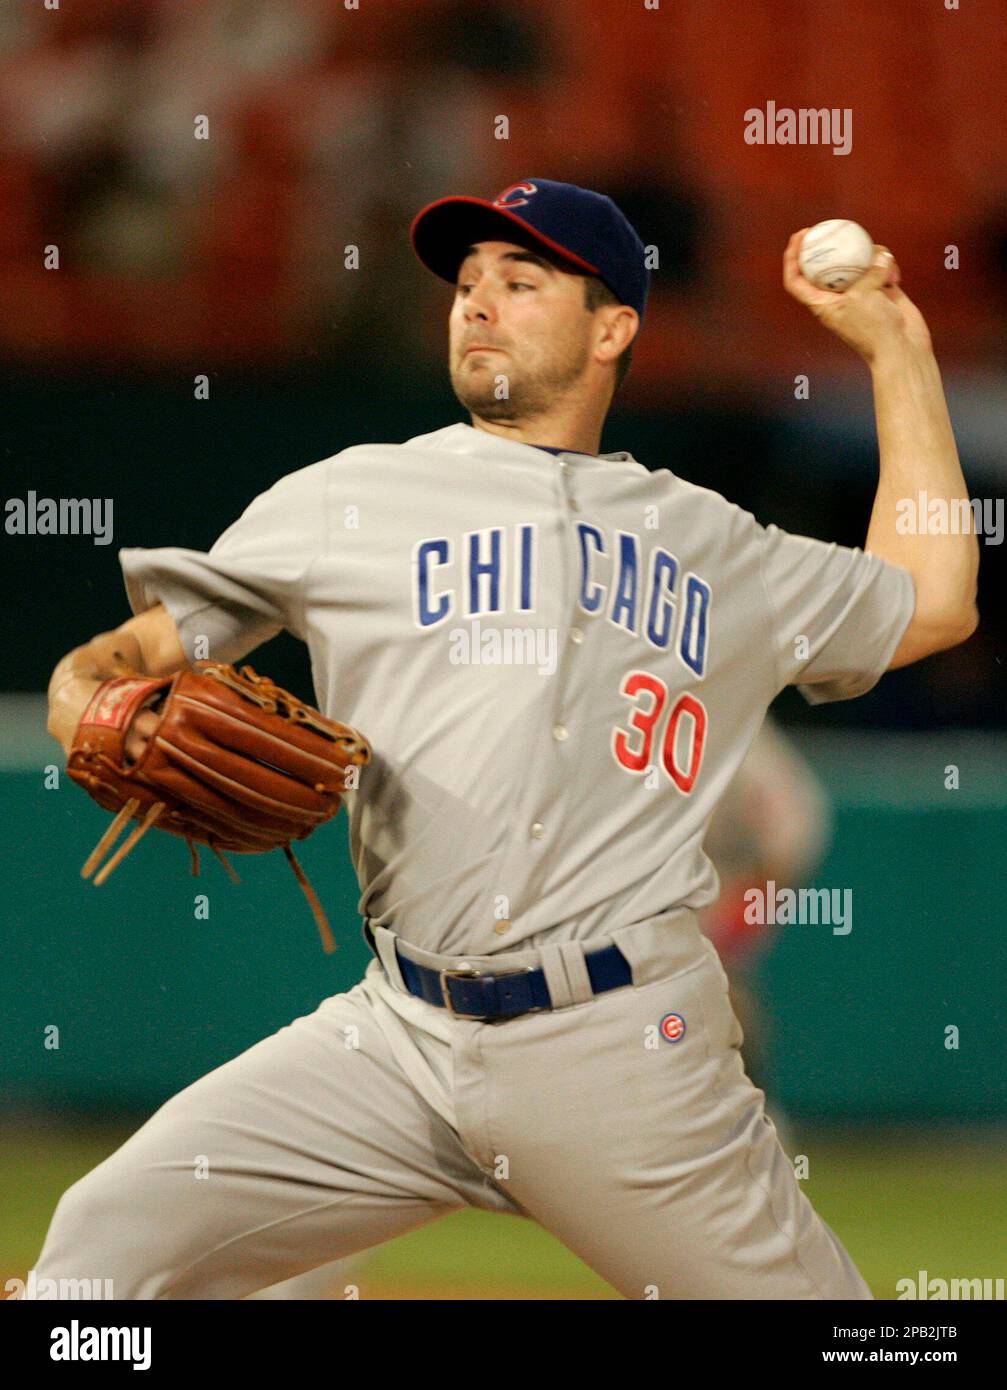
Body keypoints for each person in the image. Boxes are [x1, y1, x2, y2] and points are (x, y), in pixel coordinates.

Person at [37, 178, 977, 1300]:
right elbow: (125, 657)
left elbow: (931, 599)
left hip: (624, 1050)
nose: (477, 301)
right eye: (467, 282)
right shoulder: (348, 495)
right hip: (398, 1037)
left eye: (520, 282)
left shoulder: (713, 542)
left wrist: (896, 350)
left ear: (611, 326)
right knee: (97, 1259)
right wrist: (77, 698)